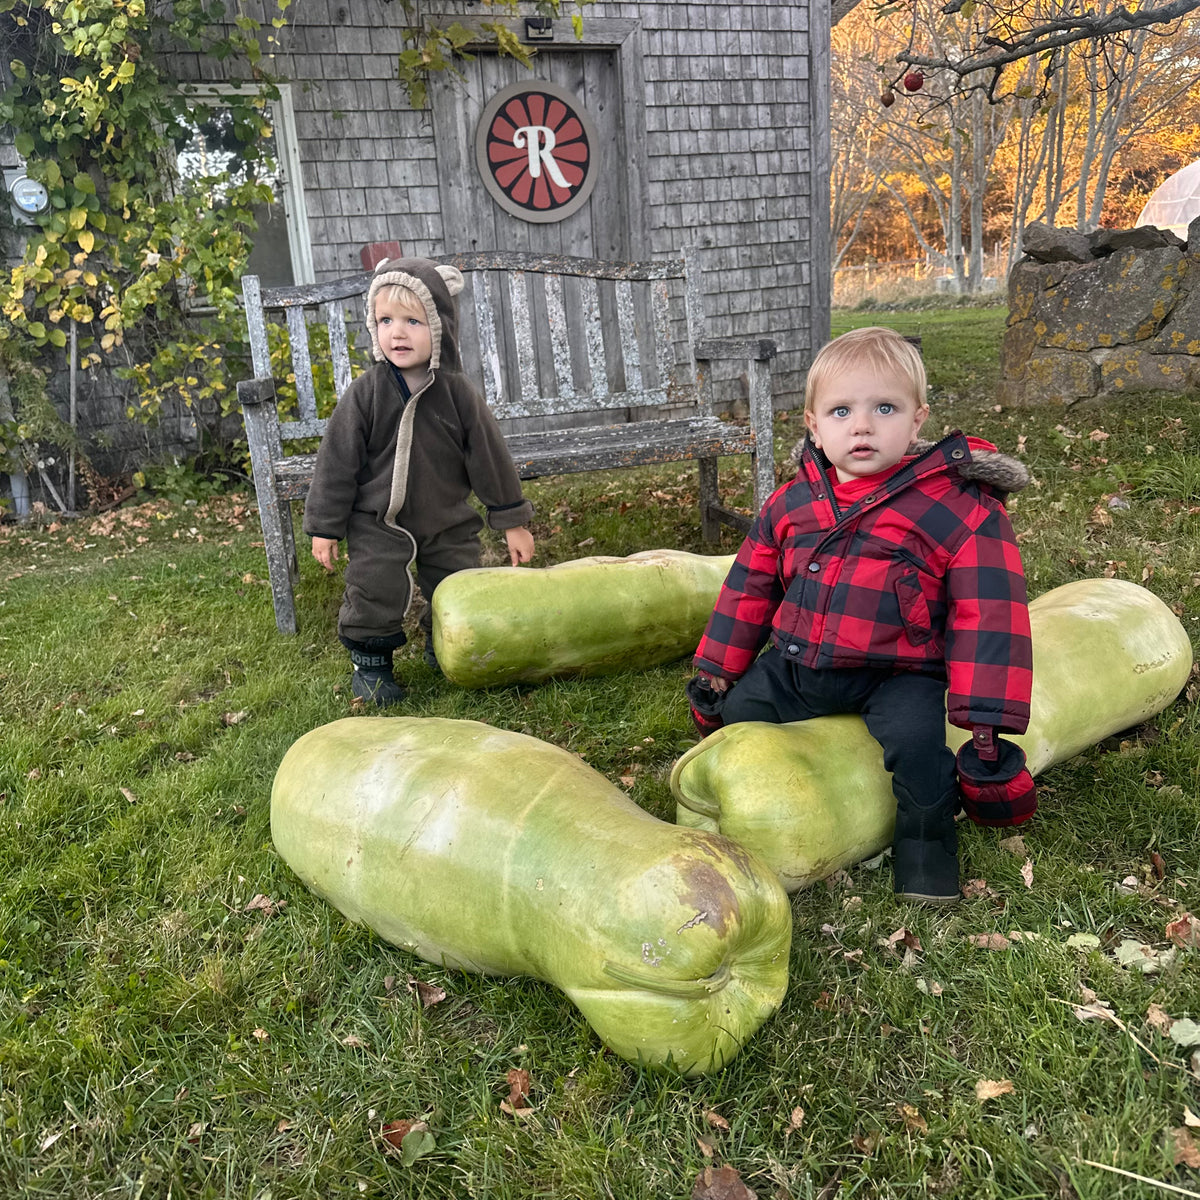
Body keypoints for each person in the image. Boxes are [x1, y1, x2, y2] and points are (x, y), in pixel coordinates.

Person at [687, 326, 1035, 904]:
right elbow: (747, 588)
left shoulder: (960, 510)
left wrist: (985, 727)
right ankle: (727, 818)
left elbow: (991, 618)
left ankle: (927, 855)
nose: (863, 425)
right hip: (799, 666)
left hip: (899, 675)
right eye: (842, 410)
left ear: (918, 420)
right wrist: (717, 671)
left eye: (885, 408)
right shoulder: (790, 503)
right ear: (814, 425)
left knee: (922, 756)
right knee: (740, 713)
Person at [304, 257, 535, 705]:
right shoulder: (366, 393)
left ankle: (443, 641)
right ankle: (371, 666)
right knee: (374, 585)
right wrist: (325, 526)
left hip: (445, 517)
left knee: (458, 582)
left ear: (441, 328)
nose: (398, 332)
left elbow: (490, 458)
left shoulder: (457, 394)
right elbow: (336, 462)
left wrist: (512, 520)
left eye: (414, 321)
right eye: (385, 320)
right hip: (377, 521)